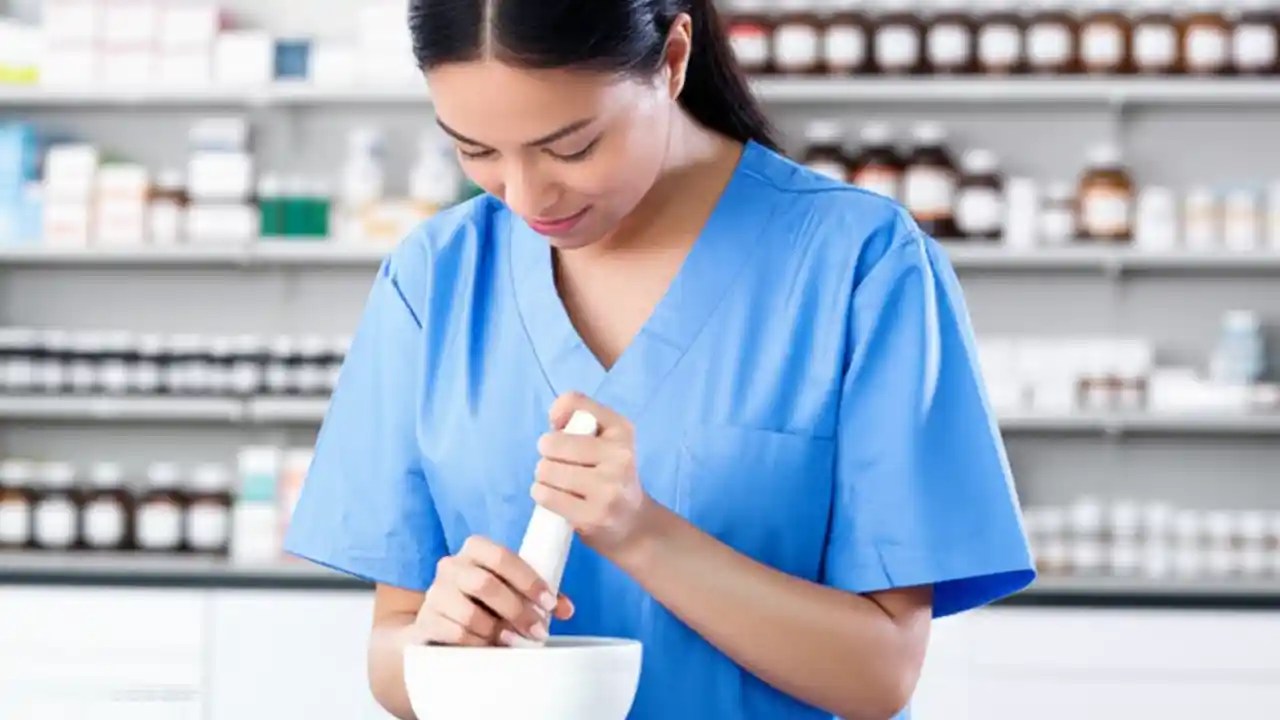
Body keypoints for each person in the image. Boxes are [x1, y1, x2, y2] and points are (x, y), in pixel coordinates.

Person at [283, 0, 1036, 718]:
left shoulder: (859, 264)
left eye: (571, 146)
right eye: (475, 150)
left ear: (673, 58)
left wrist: (643, 534)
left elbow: (880, 675)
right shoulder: (436, 277)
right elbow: (391, 654)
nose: (525, 195)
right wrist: (438, 644)